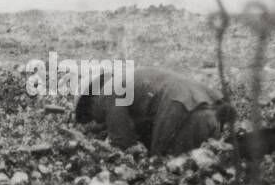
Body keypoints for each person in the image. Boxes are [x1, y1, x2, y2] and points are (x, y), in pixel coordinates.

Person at [76, 66, 234, 155]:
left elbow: (123, 141)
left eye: (90, 116)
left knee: (166, 169)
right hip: (210, 113)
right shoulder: (132, 79)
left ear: (92, 99)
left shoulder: (109, 91)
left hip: (185, 114)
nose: (96, 120)